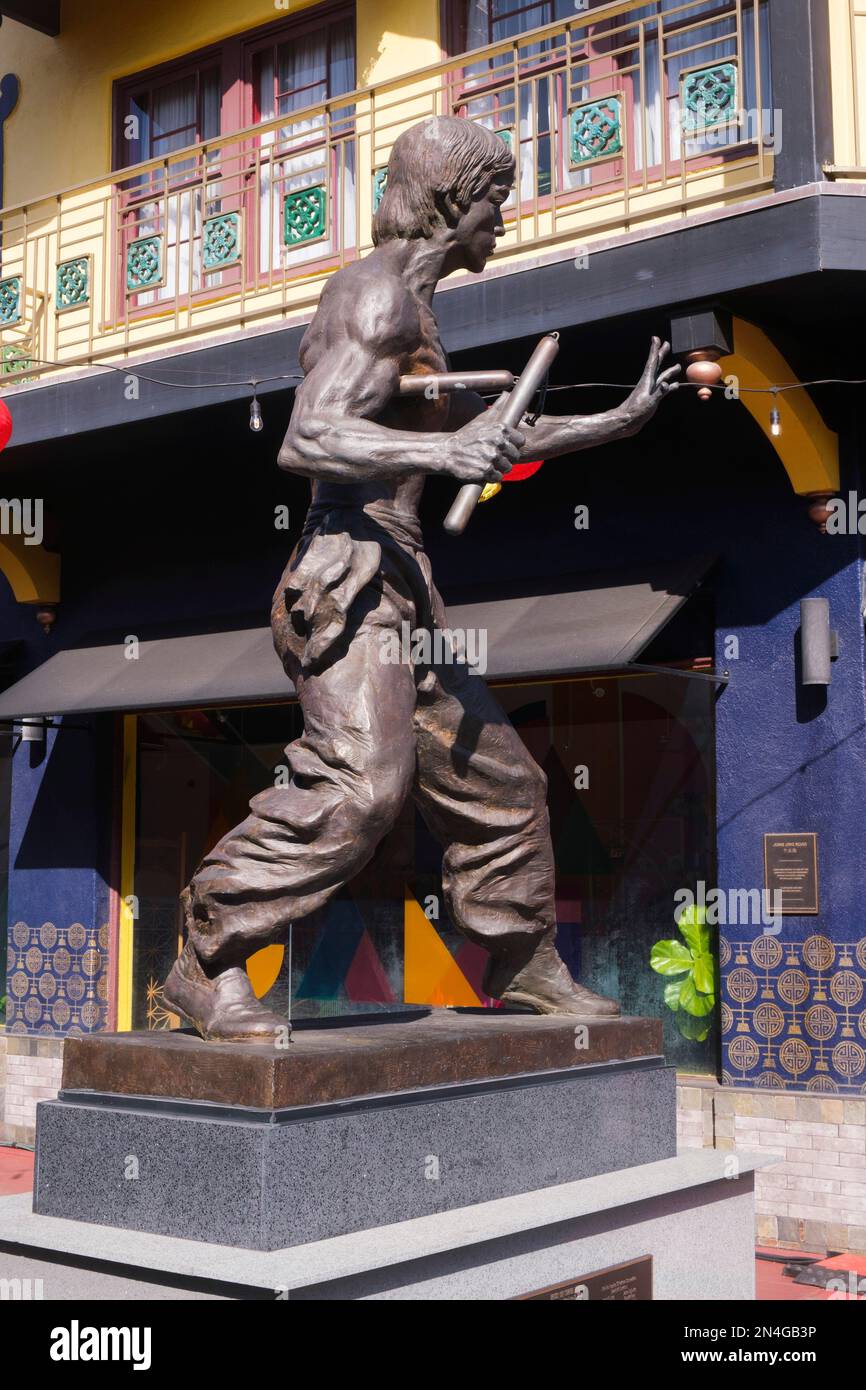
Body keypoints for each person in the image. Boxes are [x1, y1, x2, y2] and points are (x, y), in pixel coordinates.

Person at [164, 115, 679, 1041]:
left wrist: (617, 422)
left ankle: (525, 967)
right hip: (347, 573)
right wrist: (449, 446)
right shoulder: (374, 300)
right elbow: (307, 437)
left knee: (504, 788)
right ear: (453, 200)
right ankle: (207, 954)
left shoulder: (419, 313)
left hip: (402, 578)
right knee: (363, 789)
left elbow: (500, 438)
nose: (504, 221)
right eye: (496, 202)